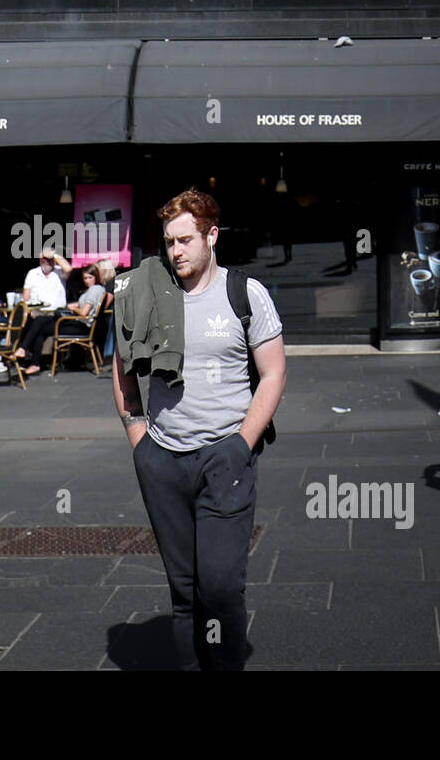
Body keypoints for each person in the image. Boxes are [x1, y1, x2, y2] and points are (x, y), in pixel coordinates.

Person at [113, 189, 285, 671]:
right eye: (168, 242)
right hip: (162, 458)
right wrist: (137, 435)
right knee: (185, 589)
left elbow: (273, 373)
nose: (176, 252)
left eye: (185, 240)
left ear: (212, 235)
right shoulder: (145, 292)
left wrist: (241, 444)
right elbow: (123, 368)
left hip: (224, 457)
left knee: (222, 585)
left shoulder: (244, 294)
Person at [15, 263, 106, 375]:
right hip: (80, 323)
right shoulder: (95, 289)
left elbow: (84, 313)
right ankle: (26, 352)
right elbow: (85, 305)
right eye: (85, 278)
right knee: (40, 321)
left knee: (41, 327)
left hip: (82, 326)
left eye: (90, 278)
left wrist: (73, 309)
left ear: (96, 277)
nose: (87, 281)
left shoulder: (94, 290)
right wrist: (75, 305)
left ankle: (31, 358)